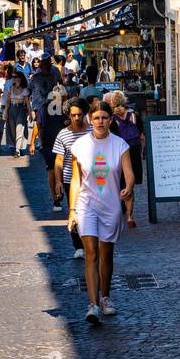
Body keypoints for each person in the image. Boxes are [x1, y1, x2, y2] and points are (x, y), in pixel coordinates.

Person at [69, 100, 134, 325]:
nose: (100, 121)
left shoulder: (120, 145)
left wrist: (128, 188)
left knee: (106, 254)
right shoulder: (80, 146)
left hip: (111, 205)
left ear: (111, 119)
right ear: (90, 119)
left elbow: (129, 173)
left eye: (104, 118)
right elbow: (76, 180)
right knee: (91, 253)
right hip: (87, 204)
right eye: (96, 117)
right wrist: (72, 210)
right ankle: (93, 304)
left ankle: (105, 297)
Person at [52, 99, 89, 254]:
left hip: (91, 178)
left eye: (79, 115)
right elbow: (59, 159)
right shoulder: (63, 134)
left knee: (89, 210)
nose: (76, 118)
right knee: (74, 209)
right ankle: (78, 245)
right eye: (73, 115)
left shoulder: (92, 130)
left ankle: (91, 240)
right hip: (69, 179)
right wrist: (58, 181)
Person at [109, 91, 144, 226]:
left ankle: (120, 210)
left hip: (119, 151)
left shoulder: (111, 118)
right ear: (125, 101)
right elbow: (141, 133)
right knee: (130, 184)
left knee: (119, 182)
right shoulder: (134, 116)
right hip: (134, 151)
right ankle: (130, 216)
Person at [6, 70, 31, 156]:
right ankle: (17, 146)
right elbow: (8, 101)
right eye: (13, 77)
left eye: (15, 77)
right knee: (12, 130)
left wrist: (31, 114)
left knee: (19, 129)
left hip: (21, 109)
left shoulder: (24, 89)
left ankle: (17, 150)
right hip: (11, 109)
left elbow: (28, 103)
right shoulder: (11, 88)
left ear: (20, 78)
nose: (13, 78)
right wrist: (5, 112)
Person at [0, 63, 13, 150]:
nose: (7, 72)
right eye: (6, 70)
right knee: (0, 125)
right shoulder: (1, 80)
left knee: (11, 126)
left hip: (12, 105)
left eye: (9, 70)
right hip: (3, 105)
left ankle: (12, 144)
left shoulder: (13, 81)